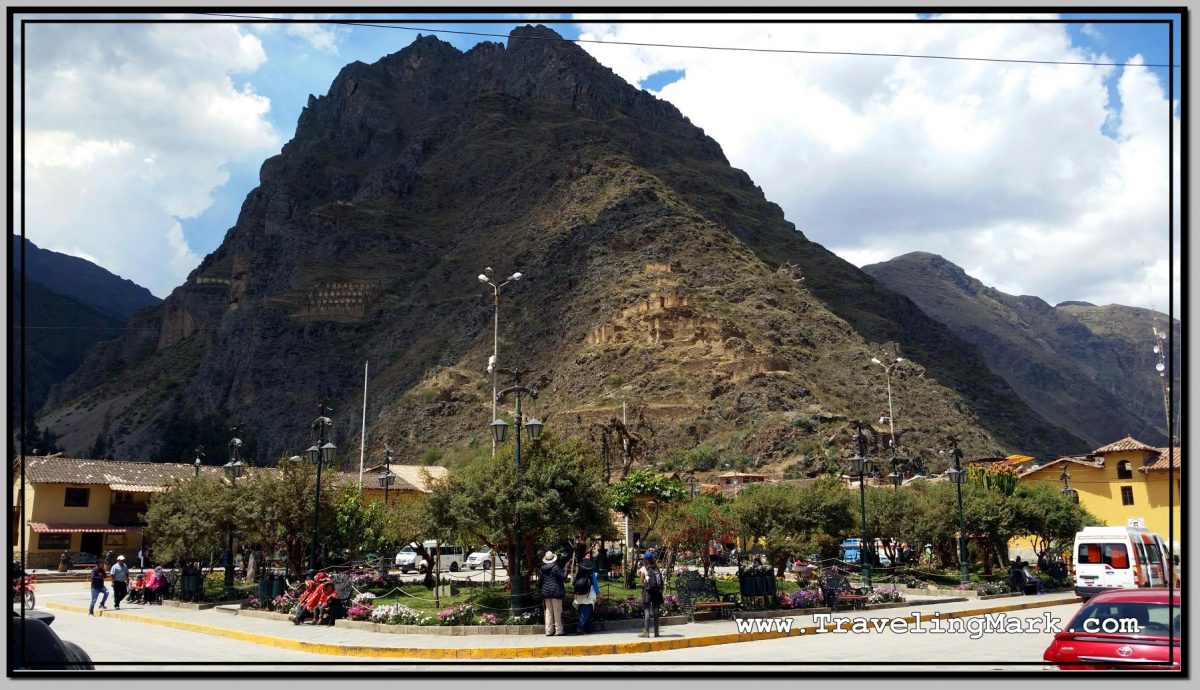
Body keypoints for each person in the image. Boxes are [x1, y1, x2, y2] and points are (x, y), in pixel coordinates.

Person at [539, 551, 567, 636]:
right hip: (556, 591)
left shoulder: (542, 569)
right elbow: (563, 577)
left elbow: (540, 581)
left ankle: (548, 630)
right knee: (557, 611)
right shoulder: (556, 567)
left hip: (546, 592)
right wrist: (566, 569)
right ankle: (559, 631)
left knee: (548, 611)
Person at [572, 558, 601, 635]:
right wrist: (598, 595)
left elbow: (574, 584)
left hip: (579, 596)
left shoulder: (579, 573)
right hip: (588, 596)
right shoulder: (591, 574)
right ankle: (580, 628)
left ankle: (587, 627)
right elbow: (595, 586)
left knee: (584, 612)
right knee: (586, 613)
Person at [640, 551, 664, 638]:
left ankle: (646, 632)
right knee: (656, 611)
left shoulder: (644, 569)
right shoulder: (656, 568)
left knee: (647, 611)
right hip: (656, 592)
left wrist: (646, 585)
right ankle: (656, 632)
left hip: (648, 592)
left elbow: (641, 582)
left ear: (645, 559)